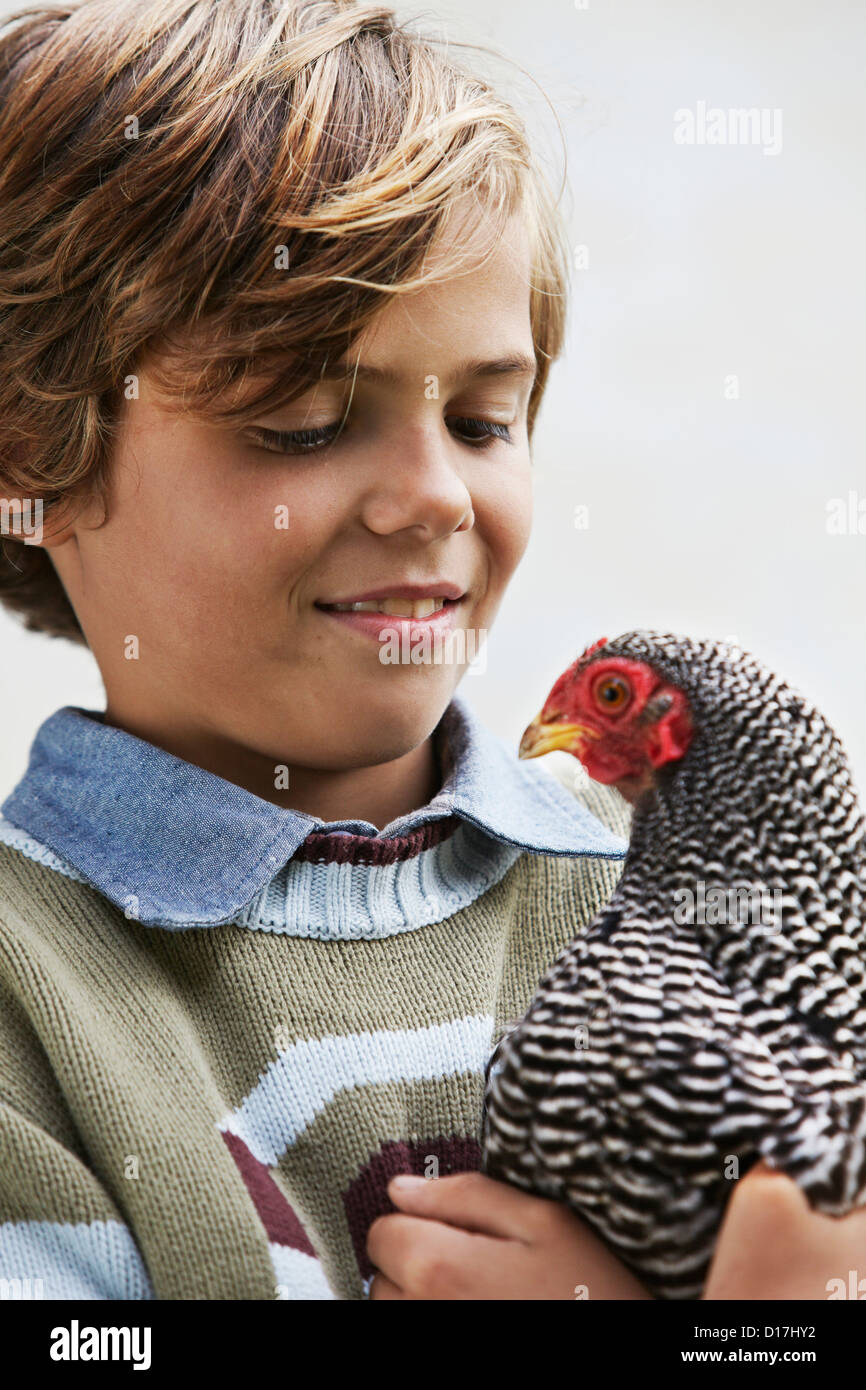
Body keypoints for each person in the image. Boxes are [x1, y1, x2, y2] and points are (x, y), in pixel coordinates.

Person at [0, 0, 861, 1301]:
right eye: (299, 421)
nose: (434, 497)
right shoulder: (33, 999)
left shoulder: (720, 920)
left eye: (480, 417)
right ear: (31, 461)